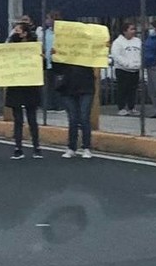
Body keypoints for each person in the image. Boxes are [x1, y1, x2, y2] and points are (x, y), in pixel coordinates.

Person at [5, 21, 43, 159]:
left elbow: (41, 66)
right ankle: (18, 147)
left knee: (32, 119)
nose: (16, 33)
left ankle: (36, 147)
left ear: (25, 33)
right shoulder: (10, 46)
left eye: (18, 30)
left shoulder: (34, 46)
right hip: (16, 86)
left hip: (30, 86)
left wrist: (42, 59)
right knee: (18, 120)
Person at [52, 58, 95, 159]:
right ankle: (71, 147)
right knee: (73, 119)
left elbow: (97, 59)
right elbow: (57, 69)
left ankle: (86, 147)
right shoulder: (64, 50)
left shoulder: (88, 49)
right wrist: (54, 57)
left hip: (86, 87)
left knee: (84, 118)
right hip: (68, 88)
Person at [110, 22, 143, 116]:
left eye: (134, 29)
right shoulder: (118, 42)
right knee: (122, 89)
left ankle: (132, 107)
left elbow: (142, 53)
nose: (134, 31)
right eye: (131, 29)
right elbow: (116, 56)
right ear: (125, 31)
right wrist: (127, 64)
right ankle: (121, 107)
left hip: (135, 70)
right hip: (122, 70)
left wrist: (138, 64)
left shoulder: (137, 41)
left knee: (133, 89)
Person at [39, 11, 62, 111]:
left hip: (58, 62)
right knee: (48, 84)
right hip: (47, 61)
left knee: (58, 84)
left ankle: (59, 105)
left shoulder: (61, 33)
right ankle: (49, 104)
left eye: (48, 18)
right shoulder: (46, 32)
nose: (46, 21)